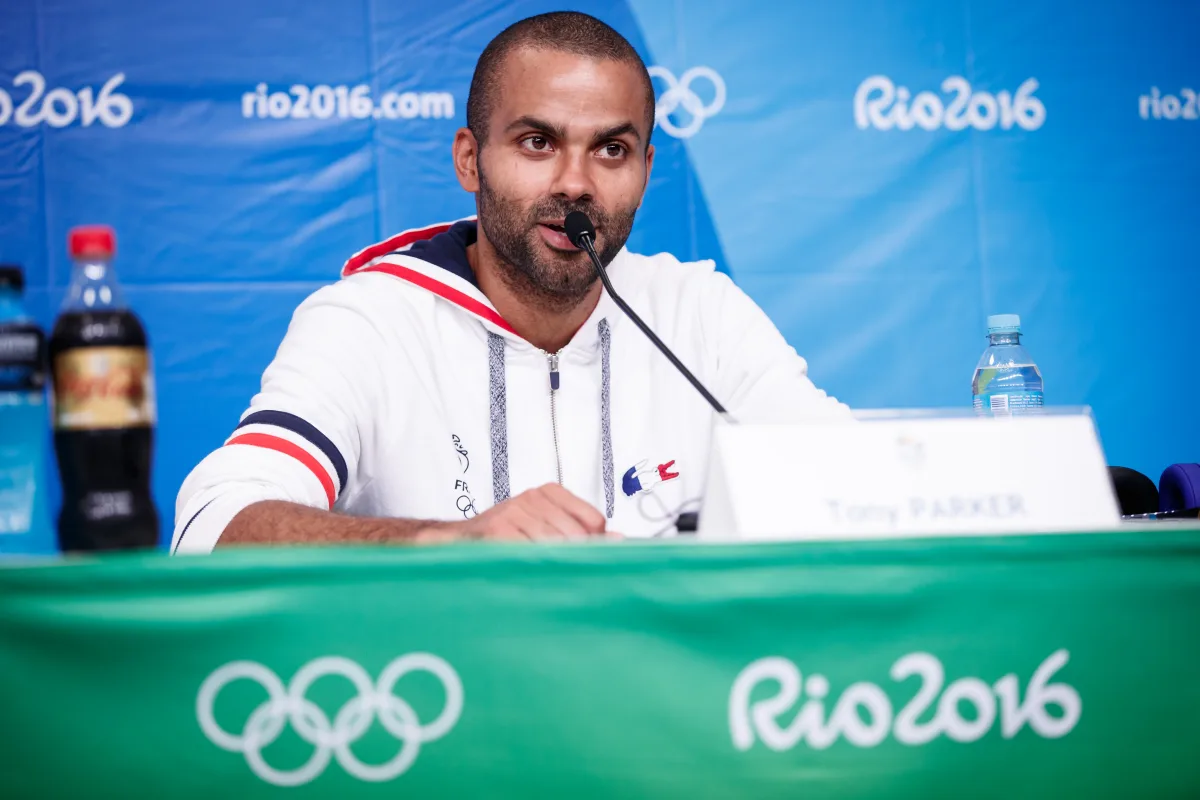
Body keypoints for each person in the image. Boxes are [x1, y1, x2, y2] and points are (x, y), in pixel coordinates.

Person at [171, 11, 848, 554]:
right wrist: (447, 540)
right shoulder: (370, 321)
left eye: (610, 150)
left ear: (645, 168)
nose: (575, 184)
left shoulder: (700, 312)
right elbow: (210, 527)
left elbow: (852, 487)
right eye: (537, 143)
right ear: (471, 160)